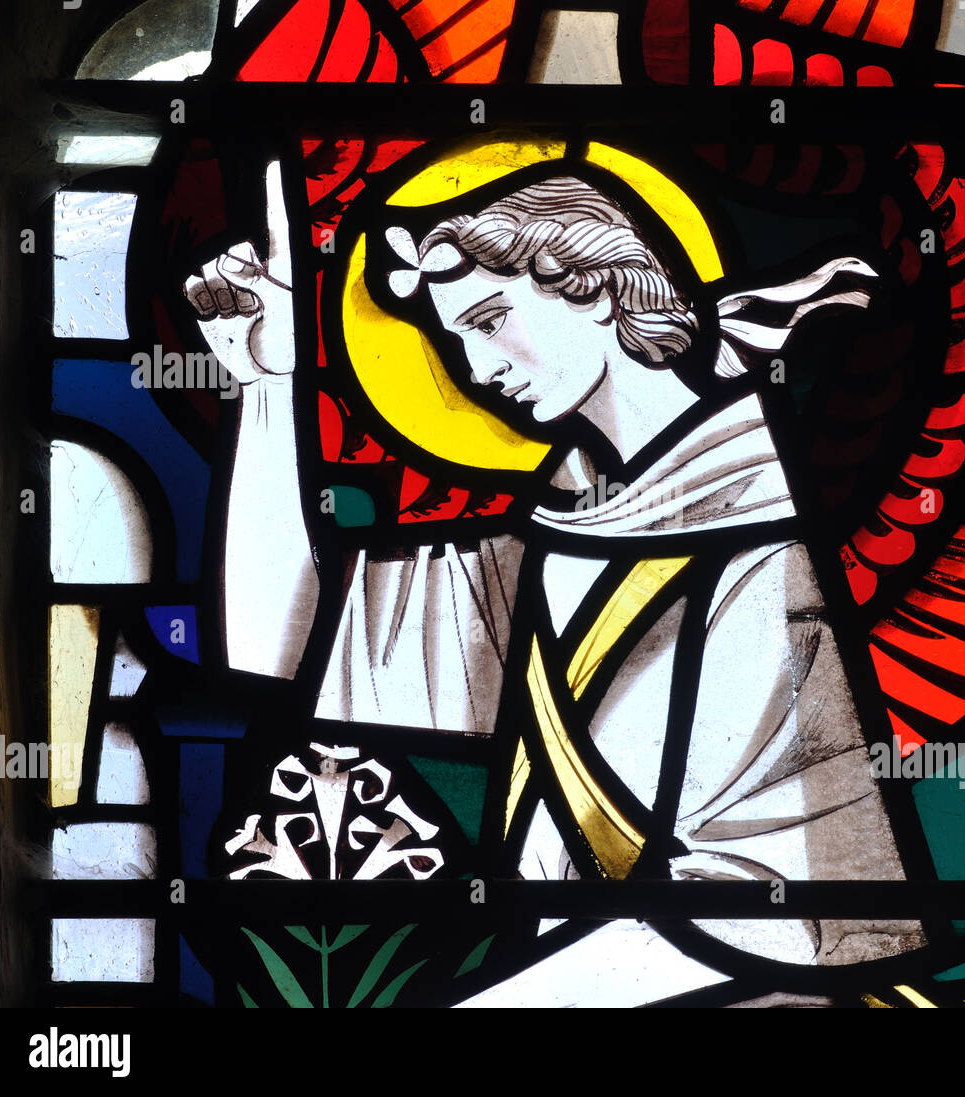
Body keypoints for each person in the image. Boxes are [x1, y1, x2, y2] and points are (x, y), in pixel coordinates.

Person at [186, 155, 924, 1002]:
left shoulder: (765, 547)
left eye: (489, 317)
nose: (469, 364)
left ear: (600, 284)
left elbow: (776, 912)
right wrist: (269, 381)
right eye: (449, 334)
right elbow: (286, 646)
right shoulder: (553, 540)